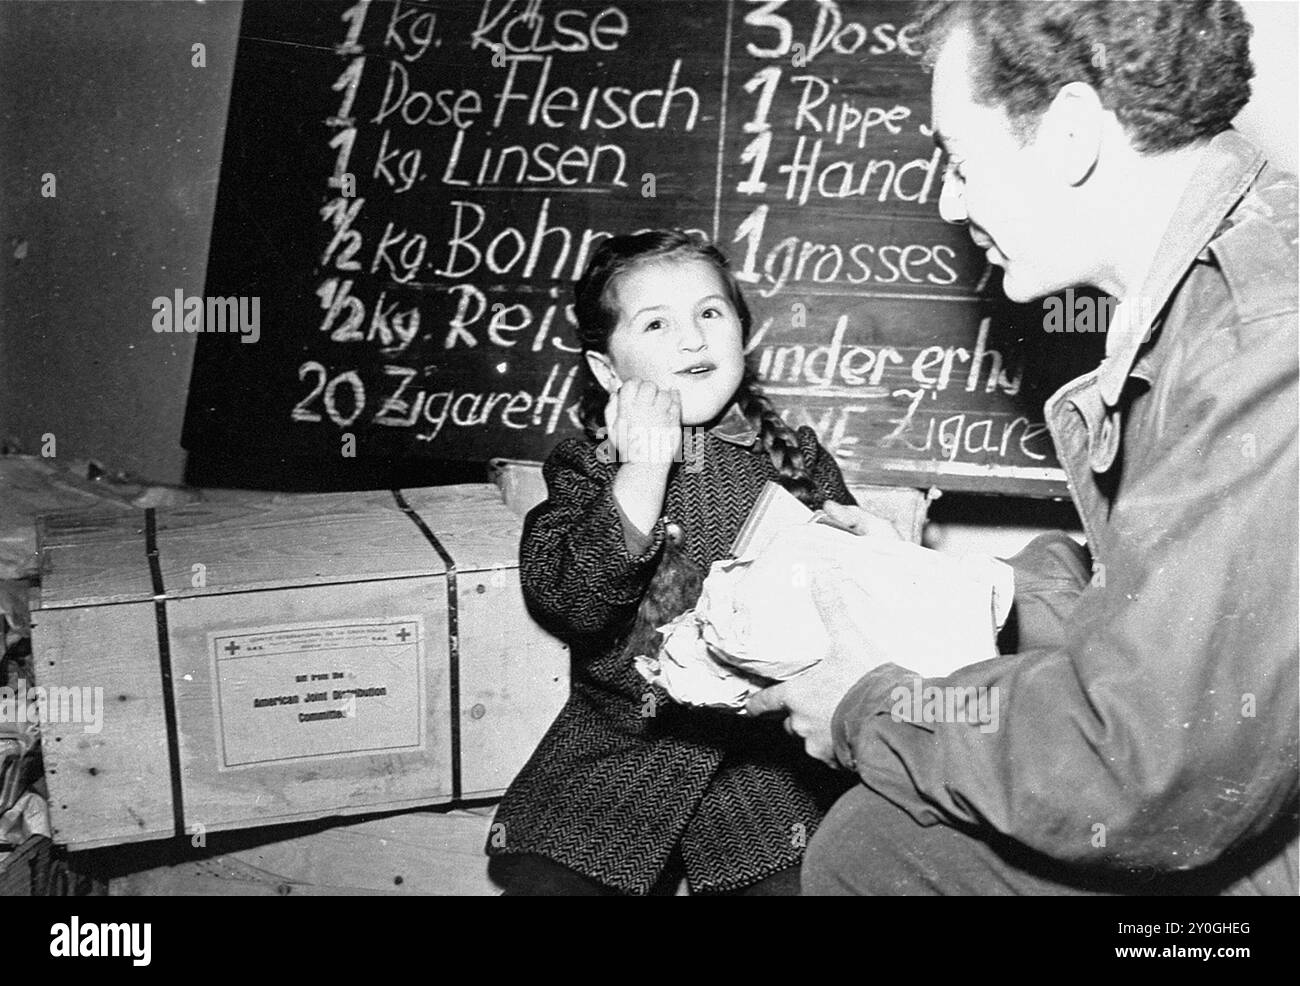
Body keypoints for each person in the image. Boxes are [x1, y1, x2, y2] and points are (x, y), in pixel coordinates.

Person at [749, 0, 1299, 895]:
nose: (948, 200)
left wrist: (874, 707)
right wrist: (956, 591)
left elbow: (1135, 770)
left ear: (1072, 134)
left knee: (874, 857)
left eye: (959, 161)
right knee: (879, 843)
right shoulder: (1225, 281)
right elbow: (1165, 613)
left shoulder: (1260, 342)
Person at [487, 229, 872, 895]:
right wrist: (644, 465)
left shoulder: (797, 461)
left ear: (743, 339)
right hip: (618, 752)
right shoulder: (587, 466)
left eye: (710, 313)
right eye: (657, 323)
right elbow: (571, 601)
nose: (692, 339)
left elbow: (856, 602)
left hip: (766, 767)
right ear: (608, 370)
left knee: (808, 880)